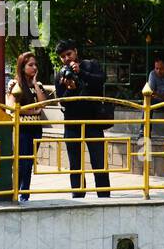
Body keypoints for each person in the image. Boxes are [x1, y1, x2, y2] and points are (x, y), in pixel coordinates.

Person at [54, 39, 111, 199]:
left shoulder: (90, 65)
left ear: (76, 52)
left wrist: (81, 73)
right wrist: (70, 89)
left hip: (93, 122)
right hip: (72, 124)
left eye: (69, 54)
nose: (67, 58)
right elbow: (62, 101)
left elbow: (100, 80)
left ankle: (104, 197)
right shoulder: (61, 75)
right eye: (63, 56)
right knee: (75, 164)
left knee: (99, 162)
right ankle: (78, 197)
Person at [7, 51, 49, 203]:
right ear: (22, 66)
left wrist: (36, 84)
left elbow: (43, 103)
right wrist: (32, 110)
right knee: (22, 162)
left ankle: (24, 194)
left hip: (36, 127)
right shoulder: (15, 84)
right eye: (30, 65)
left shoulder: (38, 85)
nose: (34, 67)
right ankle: (17, 192)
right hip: (22, 128)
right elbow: (11, 106)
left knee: (29, 161)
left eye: (35, 64)